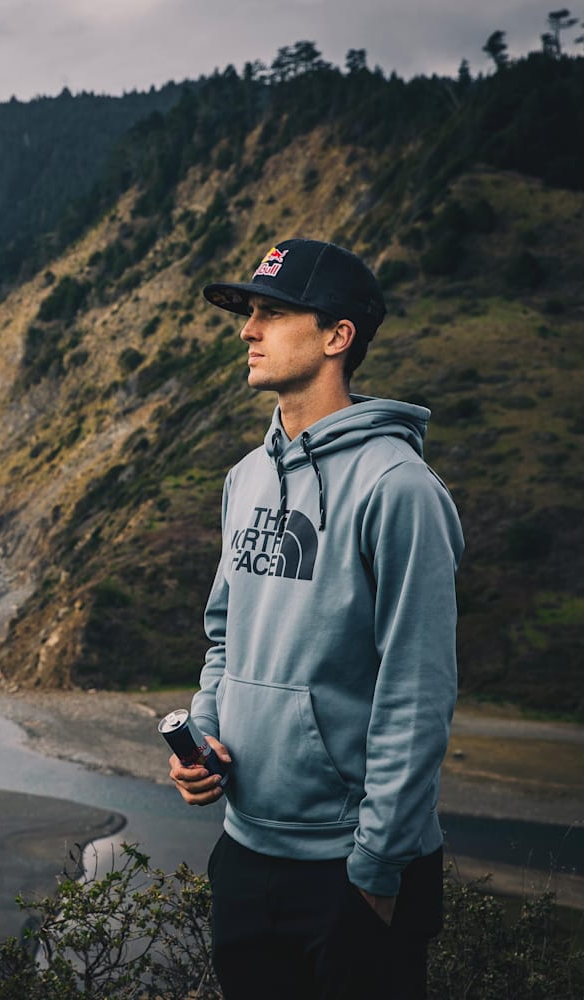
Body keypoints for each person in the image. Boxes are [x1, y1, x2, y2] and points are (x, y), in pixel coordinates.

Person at [169, 239, 463, 999]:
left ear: (338, 337)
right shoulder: (246, 477)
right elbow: (225, 635)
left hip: (353, 867)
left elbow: (417, 689)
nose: (247, 330)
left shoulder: (400, 489)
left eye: (272, 312)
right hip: (245, 853)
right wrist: (203, 735)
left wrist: (376, 868)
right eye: (249, 313)